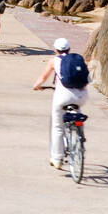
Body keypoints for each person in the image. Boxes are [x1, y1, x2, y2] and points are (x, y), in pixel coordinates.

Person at [32, 38, 90, 169]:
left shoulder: (54, 61)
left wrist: (37, 86)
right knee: (77, 111)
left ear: (55, 50)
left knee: (58, 127)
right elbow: (87, 78)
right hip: (82, 95)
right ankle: (80, 133)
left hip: (63, 96)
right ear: (69, 49)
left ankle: (57, 159)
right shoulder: (79, 59)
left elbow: (43, 78)